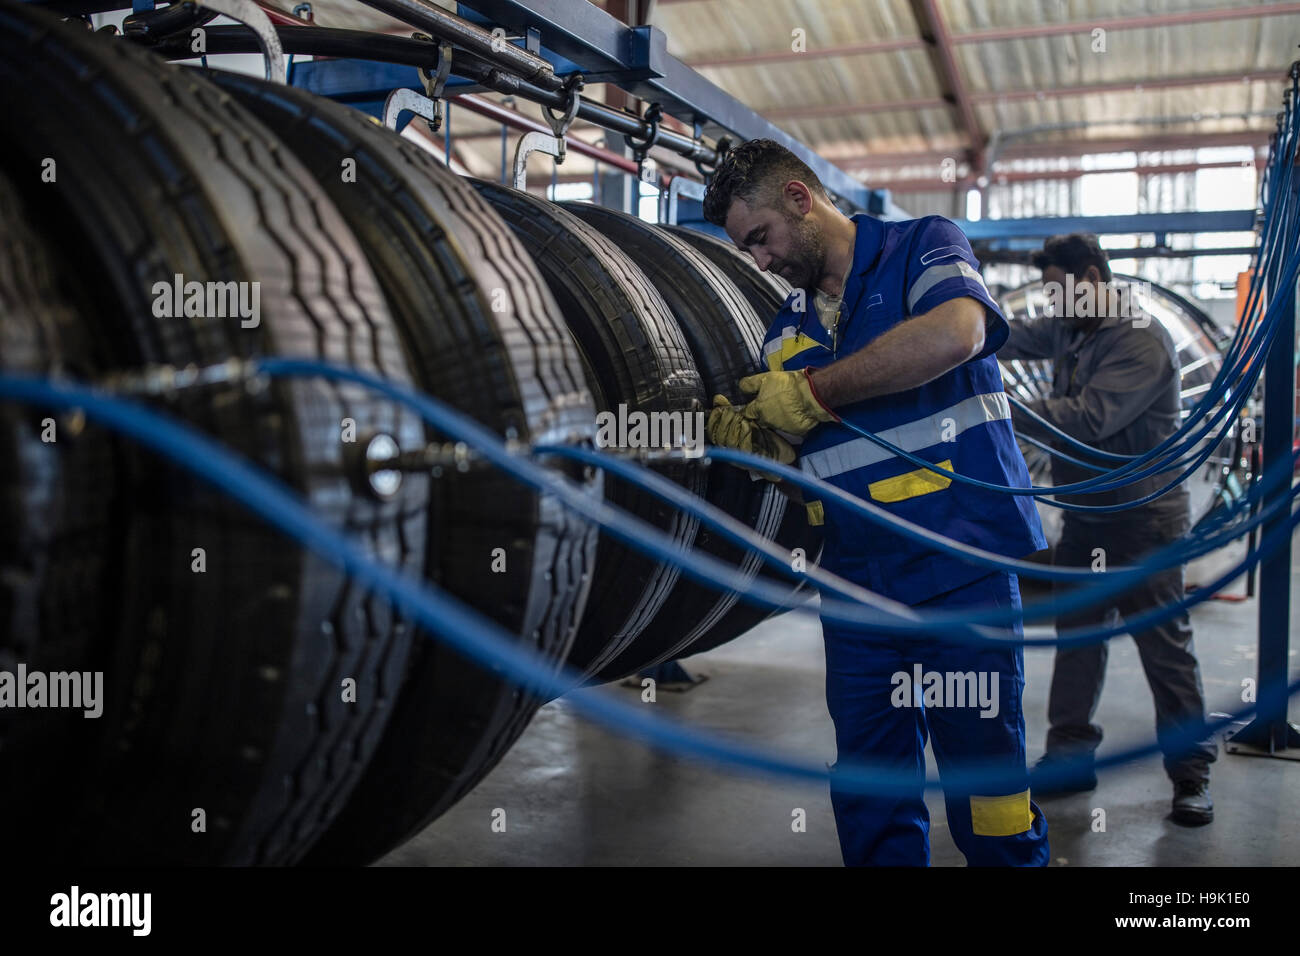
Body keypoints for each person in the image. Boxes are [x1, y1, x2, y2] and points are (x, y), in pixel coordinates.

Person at [702, 139, 1050, 866]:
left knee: (989, 787)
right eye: (746, 252)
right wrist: (762, 449)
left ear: (801, 199)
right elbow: (804, 444)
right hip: (857, 589)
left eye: (759, 239)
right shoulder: (785, 334)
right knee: (872, 790)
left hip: (962, 573)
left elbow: (959, 333)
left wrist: (814, 394)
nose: (759, 262)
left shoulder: (923, 245)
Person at [999, 233, 1216, 825]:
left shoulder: (1140, 340)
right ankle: (1070, 757)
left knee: (1163, 648)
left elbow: (1087, 420)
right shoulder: (1074, 326)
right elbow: (1009, 335)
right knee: (1078, 637)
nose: (1051, 304)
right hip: (1087, 517)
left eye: (1056, 290)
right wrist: (957, 324)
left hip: (1143, 522)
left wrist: (996, 408)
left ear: (1091, 279)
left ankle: (1191, 773)